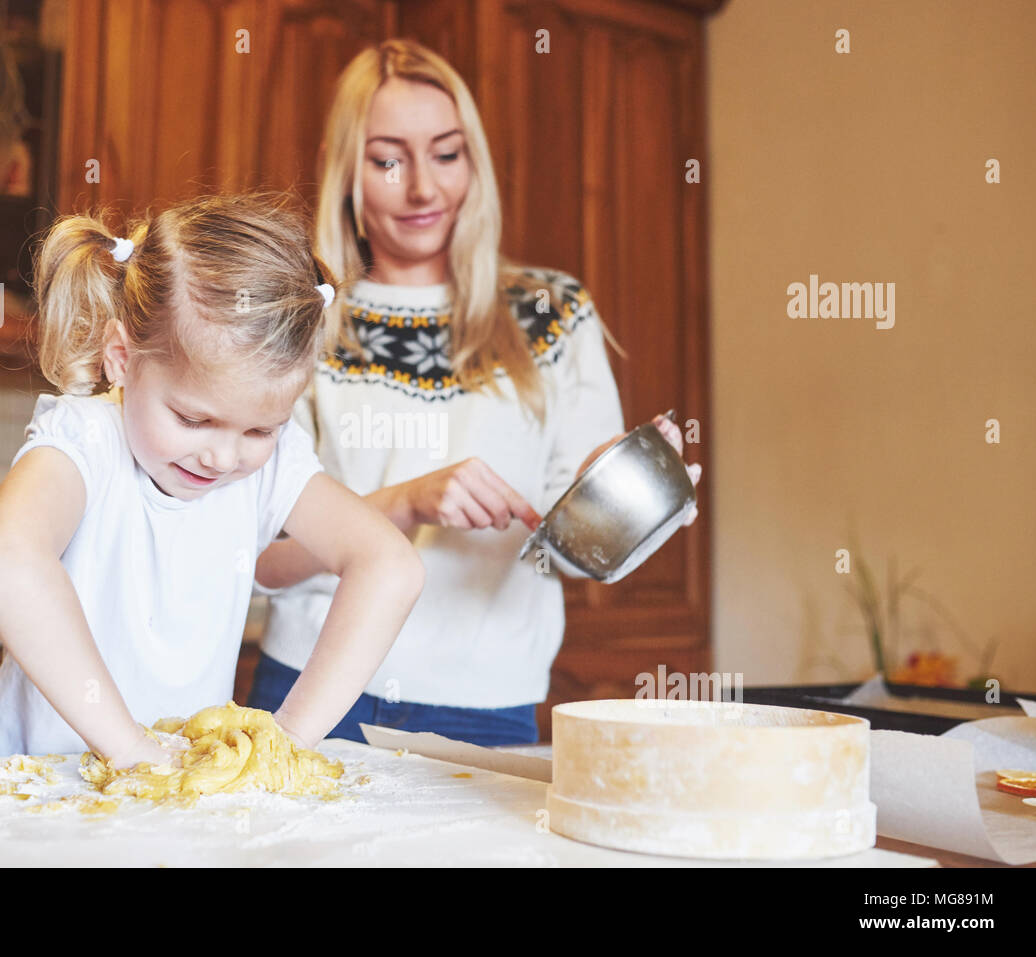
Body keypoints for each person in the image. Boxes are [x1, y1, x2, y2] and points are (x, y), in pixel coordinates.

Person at [248, 40, 702, 746]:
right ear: (348, 173)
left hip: (485, 705)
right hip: (310, 690)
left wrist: (622, 494)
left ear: (474, 164)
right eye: (389, 159)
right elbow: (263, 562)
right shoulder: (302, 321)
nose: (424, 187)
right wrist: (405, 501)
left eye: (448, 153)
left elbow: (568, 552)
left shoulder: (553, 313)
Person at [0, 192, 424, 766]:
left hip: (171, 797)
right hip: (30, 787)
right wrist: (130, 750)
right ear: (122, 358)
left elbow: (390, 565)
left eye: (261, 429)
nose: (225, 458)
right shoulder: (85, 441)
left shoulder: (270, 468)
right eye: (193, 419)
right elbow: (6, 560)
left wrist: (288, 740)